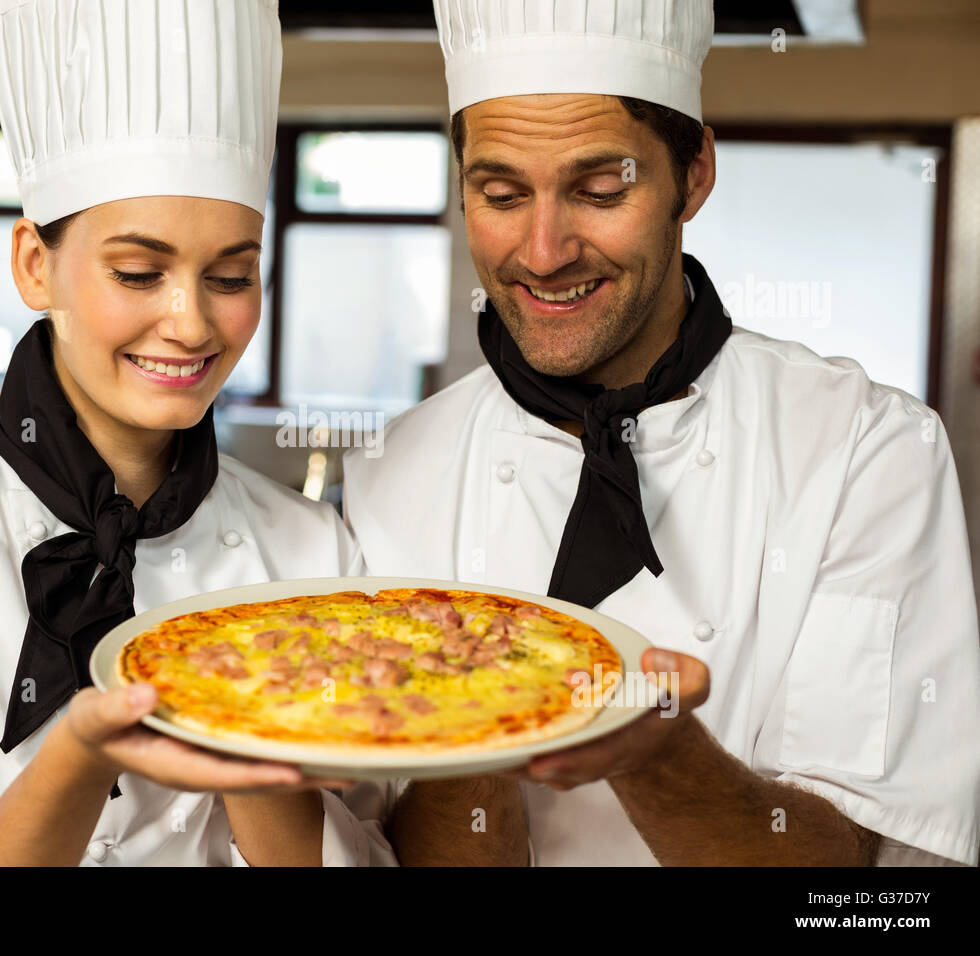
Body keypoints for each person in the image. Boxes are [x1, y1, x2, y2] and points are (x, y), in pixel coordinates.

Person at [343, 0, 980, 866]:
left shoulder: (867, 448)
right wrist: (473, 728)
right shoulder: (393, 469)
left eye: (601, 189)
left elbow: (872, 895)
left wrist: (658, 752)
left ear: (695, 175)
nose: (542, 251)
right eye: (500, 194)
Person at [0, 0, 394, 867]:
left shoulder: (314, 556)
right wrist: (79, 752)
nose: (190, 323)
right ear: (35, 266)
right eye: (138, 272)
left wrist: (243, 739)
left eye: (231, 275)